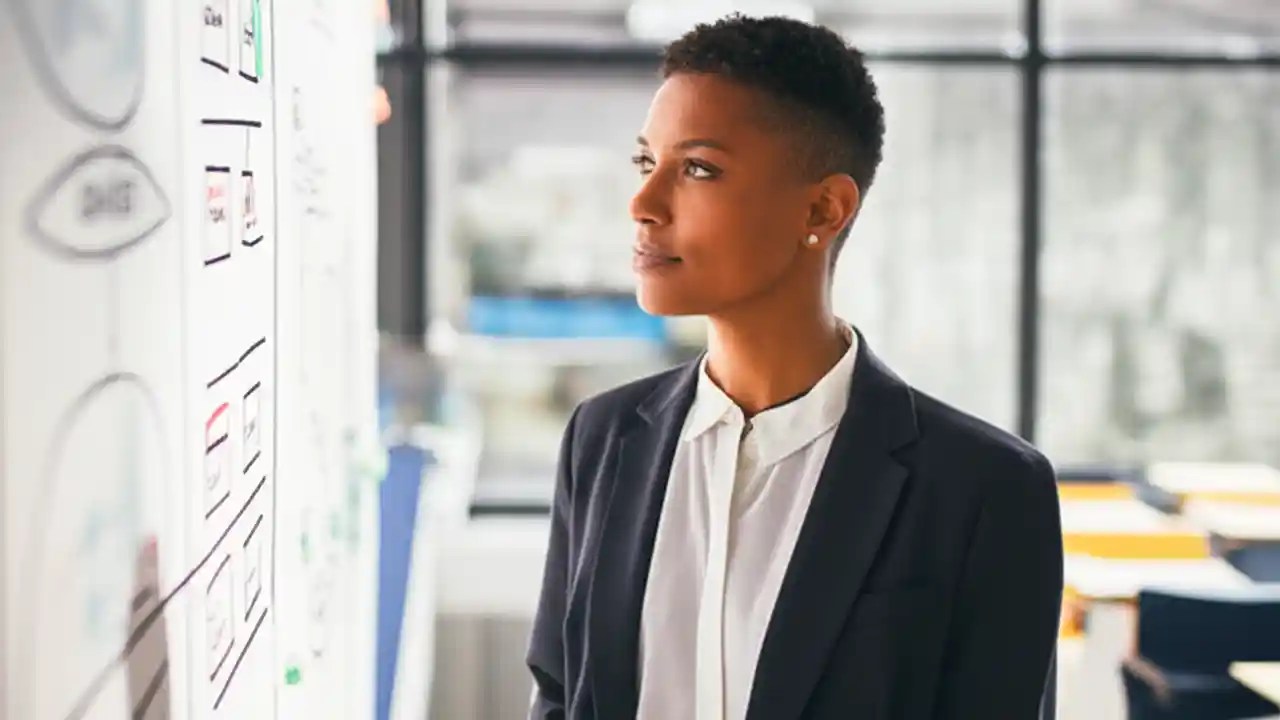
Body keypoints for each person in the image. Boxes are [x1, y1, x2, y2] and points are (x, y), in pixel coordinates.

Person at [527, 14, 1063, 720]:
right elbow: (562, 696)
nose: (644, 203)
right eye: (644, 163)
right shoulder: (602, 439)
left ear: (823, 206)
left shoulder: (983, 488)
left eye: (697, 168)